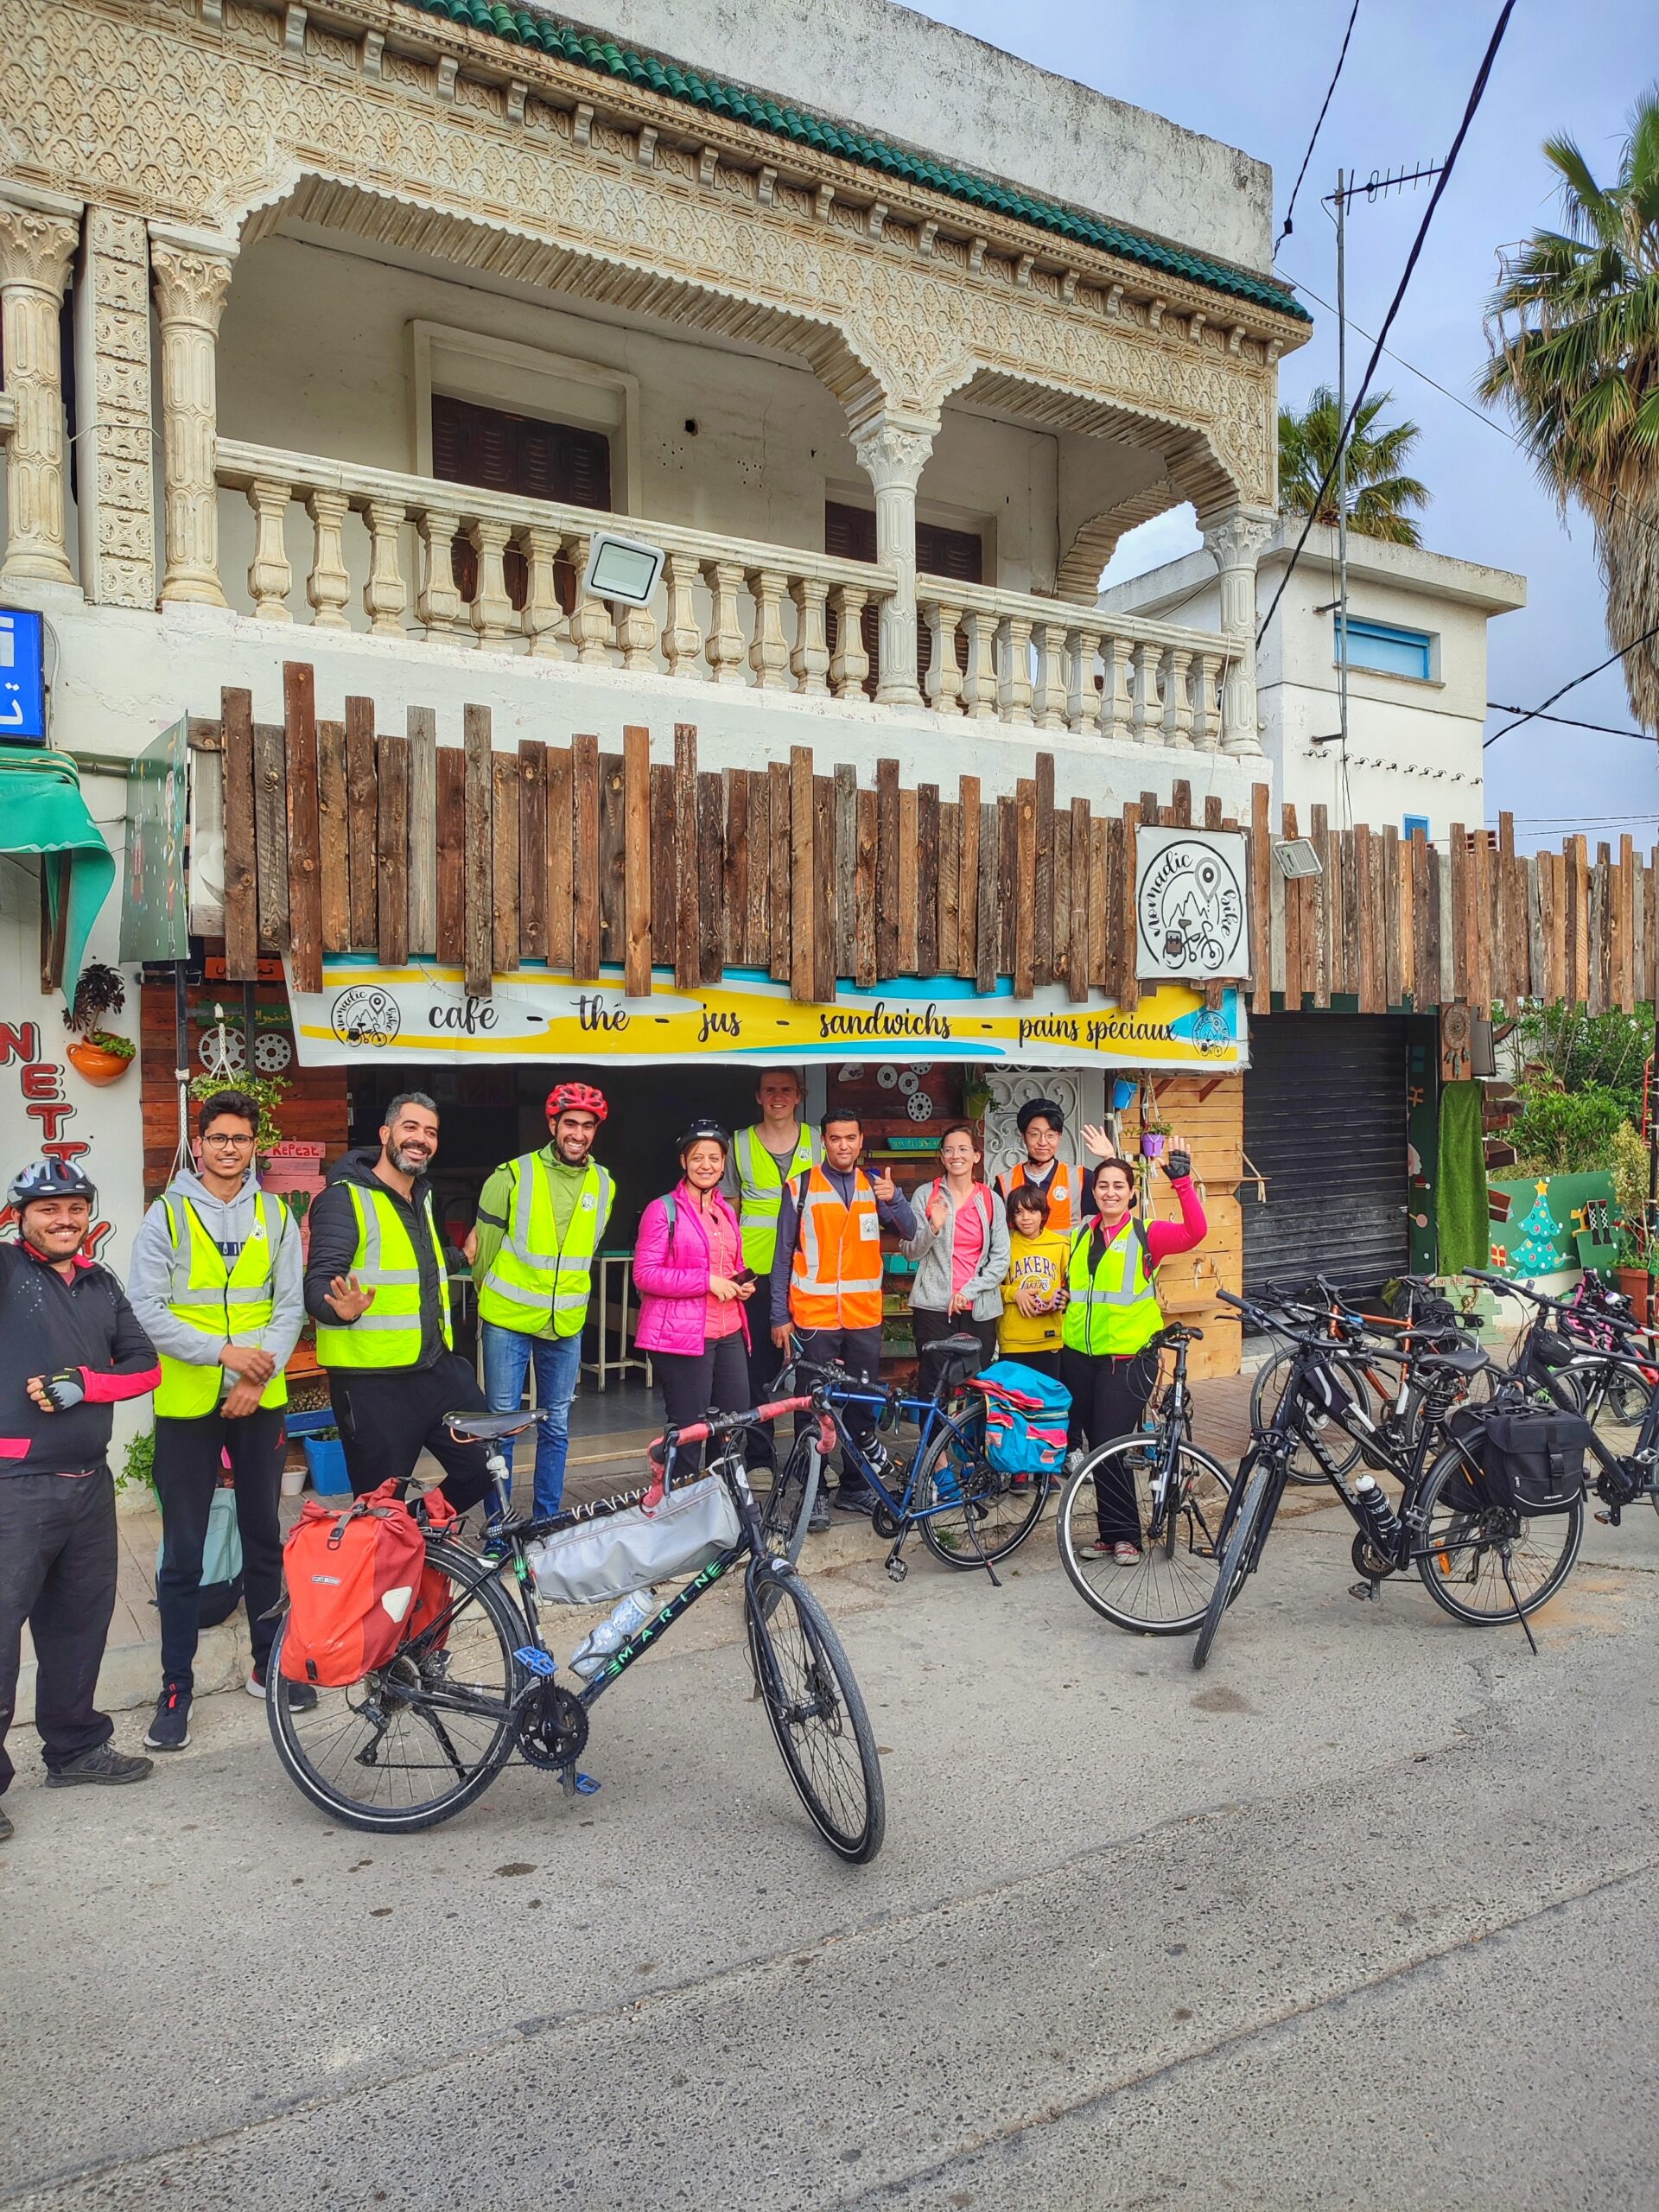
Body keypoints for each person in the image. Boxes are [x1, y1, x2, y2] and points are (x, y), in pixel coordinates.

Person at [127, 1089, 308, 1751]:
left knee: (263, 1534)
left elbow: (289, 1305)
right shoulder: (167, 1215)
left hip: (260, 1400)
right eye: (219, 1138)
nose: (230, 1148)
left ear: (255, 1146)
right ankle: (176, 1687)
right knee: (183, 1548)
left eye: (241, 1138)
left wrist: (255, 1378)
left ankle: (268, 1661)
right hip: (188, 1402)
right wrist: (224, 1355)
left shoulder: (276, 1214)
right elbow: (146, 1308)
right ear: (199, 1145)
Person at [0, 1161, 161, 1840]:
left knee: (79, 1623)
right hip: (14, 1486)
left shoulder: (102, 1282)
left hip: (89, 1484)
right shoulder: (7, 1271)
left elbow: (146, 1367)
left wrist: (85, 1385)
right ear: (19, 1216)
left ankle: (74, 1749)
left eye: (74, 1207)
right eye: (47, 1208)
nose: (63, 1219)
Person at [304, 1094, 493, 1517]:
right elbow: (317, 1283)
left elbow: (417, 1265)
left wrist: (461, 1256)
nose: (421, 1139)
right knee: (378, 1505)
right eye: (411, 1127)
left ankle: (414, 1526)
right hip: (375, 1385)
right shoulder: (343, 1199)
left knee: (485, 1465)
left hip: (436, 1369)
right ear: (386, 1133)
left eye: (431, 1132)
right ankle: (392, 1537)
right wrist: (340, 1309)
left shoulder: (420, 1196)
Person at [467, 1082, 614, 1518]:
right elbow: (483, 1251)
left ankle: (546, 1521)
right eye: (570, 1123)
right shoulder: (511, 1175)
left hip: (565, 1323)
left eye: (588, 1126)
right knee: (502, 1426)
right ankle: (499, 1527)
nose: (578, 1134)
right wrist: (485, 1295)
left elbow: (588, 1247)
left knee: (557, 1426)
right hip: (507, 1320)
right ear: (552, 1125)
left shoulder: (605, 1183)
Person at [1060, 1142, 1207, 1566]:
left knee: (1111, 1443)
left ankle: (1128, 1537)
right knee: (1096, 1447)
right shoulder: (1079, 1235)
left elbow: (1195, 1232)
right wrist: (1061, 1296)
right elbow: (1082, 1291)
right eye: (1103, 1185)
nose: (1109, 1192)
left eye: (1118, 1186)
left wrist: (1181, 1182)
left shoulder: (1146, 1234)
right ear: (1094, 1192)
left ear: (1131, 1194)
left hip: (1128, 1360)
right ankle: (1111, 1535)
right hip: (1080, 1356)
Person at [768, 1109, 915, 1516]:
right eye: (835, 1138)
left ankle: (855, 1486)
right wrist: (779, 1315)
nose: (843, 1145)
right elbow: (782, 1256)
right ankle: (813, 1489)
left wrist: (896, 1197)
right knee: (812, 1405)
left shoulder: (874, 1185)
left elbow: (910, 1230)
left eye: (851, 1138)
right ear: (824, 1142)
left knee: (862, 1404)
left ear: (861, 1139)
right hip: (814, 1316)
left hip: (863, 1315)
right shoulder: (800, 1187)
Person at [634, 1121, 753, 1473]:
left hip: (729, 1330)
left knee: (733, 1427)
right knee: (689, 1433)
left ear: (724, 1163)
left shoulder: (725, 1210)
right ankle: (682, 1500)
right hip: (683, 1337)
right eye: (698, 1157)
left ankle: (722, 1500)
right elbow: (645, 1274)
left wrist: (739, 1283)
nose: (706, 1165)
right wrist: (706, 1282)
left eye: (714, 1158)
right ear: (683, 1161)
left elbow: (732, 1264)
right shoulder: (663, 1209)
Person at [727, 1070, 821, 1466]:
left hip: (810, 1270)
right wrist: (731, 1269)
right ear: (758, 1096)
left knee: (812, 1369)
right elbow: (729, 1210)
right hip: (757, 1271)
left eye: (786, 1090)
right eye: (770, 1090)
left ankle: (808, 1458)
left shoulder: (820, 1140)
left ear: (799, 1096)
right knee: (756, 1369)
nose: (777, 1097)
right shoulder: (738, 1143)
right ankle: (760, 1457)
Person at [903, 1122, 1009, 1391]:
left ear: (976, 1155)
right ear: (942, 1157)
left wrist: (968, 1292)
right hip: (933, 1308)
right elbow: (909, 1251)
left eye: (963, 1149)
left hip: (980, 1309)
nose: (955, 1156)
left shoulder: (990, 1200)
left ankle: (971, 1424)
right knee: (933, 1384)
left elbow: (1000, 1258)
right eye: (949, 1150)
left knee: (978, 1385)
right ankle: (933, 1422)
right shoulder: (926, 1195)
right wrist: (933, 1227)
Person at [997, 1182, 1071, 1379]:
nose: (1026, 1218)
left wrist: (1060, 1299)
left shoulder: (1060, 1244)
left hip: (1050, 1338)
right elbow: (991, 1287)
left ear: (1043, 1214)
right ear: (1012, 1216)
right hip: (1013, 1340)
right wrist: (1015, 1293)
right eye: (1019, 1212)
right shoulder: (1004, 1244)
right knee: (1013, 1397)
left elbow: (1074, 1285)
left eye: (1032, 1211)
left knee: (1046, 1396)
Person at [995, 1097, 1084, 1230]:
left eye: (1050, 1135)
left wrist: (1109, 1157)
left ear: (1059, 1136)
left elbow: (1115, 1205)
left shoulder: (1079, 1177)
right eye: (1035, 1134)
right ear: (1023, 1136)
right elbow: (995, 1229)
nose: (1043, 1142)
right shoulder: (1004, 1182)